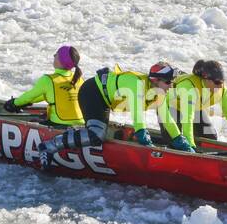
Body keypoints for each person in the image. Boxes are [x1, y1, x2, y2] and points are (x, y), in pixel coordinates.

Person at [37, 61, 177, 167]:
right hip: (92, 92)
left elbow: (167, 119)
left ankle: (81, 131)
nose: (171, 85)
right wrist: (143, 138)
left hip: (104, 100)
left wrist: (182, 141)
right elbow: (137, 116)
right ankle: (48, 146)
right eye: (168, 82)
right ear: (155, 80)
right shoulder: (137, 85)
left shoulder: (160, 92)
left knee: (98, 131)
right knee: (97, 135)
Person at [161, 59, 227, 155]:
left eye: (222, 82)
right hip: (169, 106)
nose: (220, 86)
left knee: (210, 140)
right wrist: (190, 146)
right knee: (175, 140)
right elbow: (188, 118)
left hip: (193, 108)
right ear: (206, 79)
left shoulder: (222, 91)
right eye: (217, 82)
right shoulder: (189, 87)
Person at [4, 45, 83, 126]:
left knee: (33, 121)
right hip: (81, 123)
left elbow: (30, 95)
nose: (54, 56)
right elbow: (51, 95)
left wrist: (15, 103)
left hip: (59, 123)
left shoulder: (48, 80)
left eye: (56, 54)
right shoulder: (79, 79)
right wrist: (29, 102)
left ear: (61, 60)